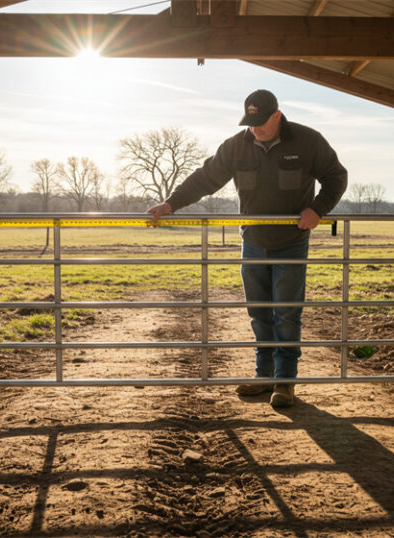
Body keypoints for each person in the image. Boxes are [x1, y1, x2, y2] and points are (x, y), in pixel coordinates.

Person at [147, 89, 347, 408]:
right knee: (259, 312)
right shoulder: (236, 146)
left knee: (286, 313)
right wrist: (171, 203)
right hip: (252, 242)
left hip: (291, 243)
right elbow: (205, 178)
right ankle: (263, 375)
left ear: (277, 116)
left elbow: (336, 176)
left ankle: (284, 382)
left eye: (261, 122)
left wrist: (318, 209)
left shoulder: (308, 141)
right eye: (250, 123)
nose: (255, 129)